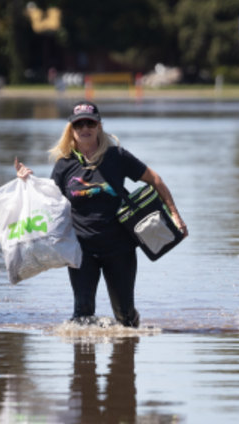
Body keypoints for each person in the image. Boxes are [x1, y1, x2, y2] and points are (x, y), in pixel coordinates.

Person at [15, 101, 186, 327]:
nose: (85, 128)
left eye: (90, 123)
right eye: (79, 124)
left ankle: (127, 338)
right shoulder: (64, 165)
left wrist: (175, 215)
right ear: (71, 130)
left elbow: (155, 180)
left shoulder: (117, 156)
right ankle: (84, 359)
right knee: (82, 317)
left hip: (120, 249)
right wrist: (27, 182)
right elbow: (49, 202)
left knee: (125, 319)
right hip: (81, 251)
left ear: (99, 126)